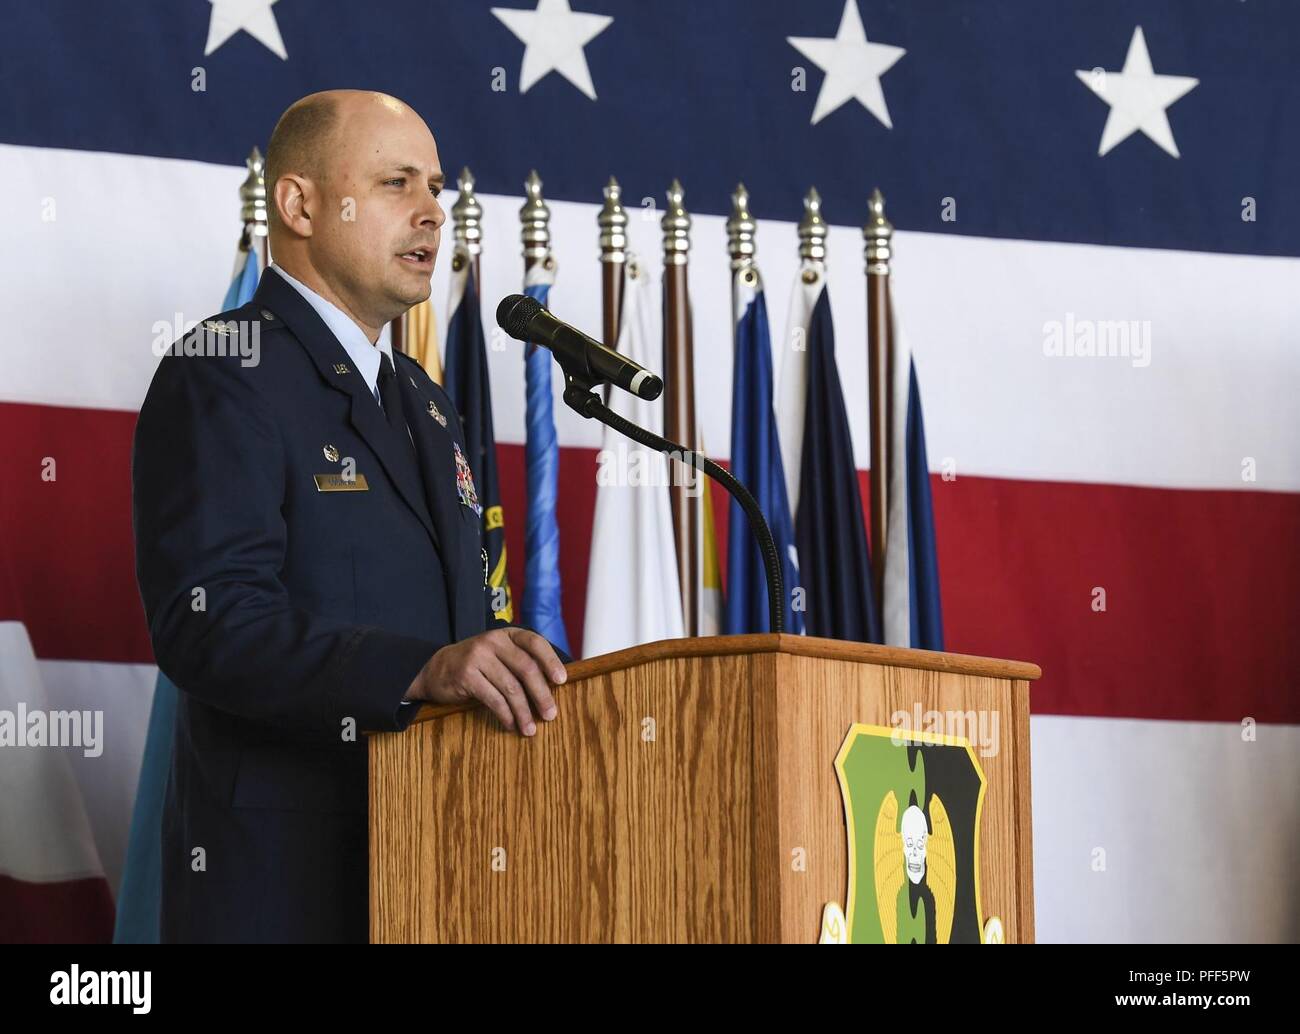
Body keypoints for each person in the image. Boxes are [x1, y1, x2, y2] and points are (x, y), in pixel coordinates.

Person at [132, 90, 567, 943]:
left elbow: (469, 617)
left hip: (437, 871)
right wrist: (418, 671)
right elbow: (210, 623)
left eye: (435, 187)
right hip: (286, 888)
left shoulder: (426, 403)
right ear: (298, 204)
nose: (432, 213)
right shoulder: (223, 371)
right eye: (396, 183)